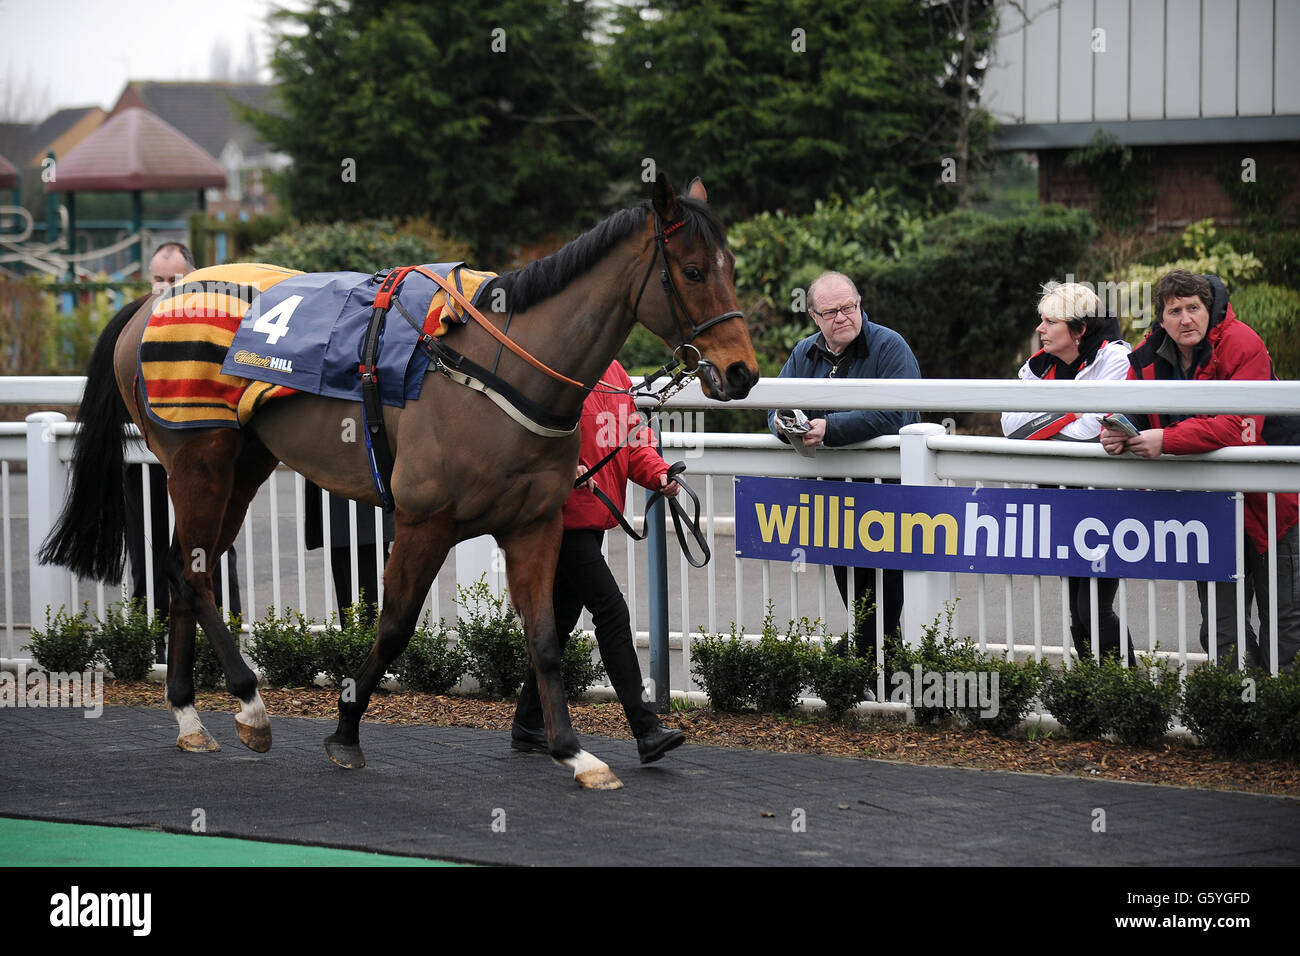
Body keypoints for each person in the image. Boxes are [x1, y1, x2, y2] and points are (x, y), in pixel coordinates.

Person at [1100, 270, 1299, 673]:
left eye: (1194, 308)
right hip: (1209, 512)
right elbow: (1127, 404)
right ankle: (1241, 717)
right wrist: (1115, 430)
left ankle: (1282, 721)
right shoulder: (1148, 353)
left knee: (1286, 623)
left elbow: (1237, 427)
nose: (1186, 319)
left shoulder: (1243, 343)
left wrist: (1165, 440)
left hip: (1274, 504)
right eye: (1175, 311)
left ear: (1209, 310)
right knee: (1223, 630)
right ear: (1161, 318)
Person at [510, 360, 686, 764]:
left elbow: (633, 438)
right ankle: (645, 729)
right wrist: (560, 468)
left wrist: (659, 473)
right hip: (561, 519)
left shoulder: (614, 374)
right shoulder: (554, 363)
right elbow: (522, 437)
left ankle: (528, 723)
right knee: (611, 609)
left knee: (561, 620)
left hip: (591, 518)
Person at [765, 270, 921, 658]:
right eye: (831, 311)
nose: (842, 317)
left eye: (848, 307)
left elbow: (894, 415)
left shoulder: (890, 346)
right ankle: (875, 676)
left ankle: (858, 669)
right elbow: (774, 408)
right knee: (856, 595)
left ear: (859, 305)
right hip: (836, 495)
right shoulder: (805, 352)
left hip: (890, 493)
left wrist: (829, 428)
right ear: (815, 317)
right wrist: (788, 426)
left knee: (883, 597)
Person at [1001, 281, 1136, 664]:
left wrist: (1050, 422)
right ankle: (1099, 692)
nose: (1040, 330)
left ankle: (1124, 691)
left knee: (1093, 605)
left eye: (1049, 322)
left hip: (1103, 498)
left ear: (1079, 329)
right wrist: (1071, 412)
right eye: (1041, 321)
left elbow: (1094, 430)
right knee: (1078, 611)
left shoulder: (1116, 358)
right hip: (1060, 497)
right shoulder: (1039, 363)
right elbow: (1010, 423)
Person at [126, 242, 242, 662]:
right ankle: (154, 645)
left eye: (174, 280)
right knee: (147, 550)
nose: (165, 288)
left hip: (195, 461)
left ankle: (219, 643)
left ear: (192, 278)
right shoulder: (134, 328)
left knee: (207, 548)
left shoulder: (210, 326)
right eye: (158, 279)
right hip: (144, 463)